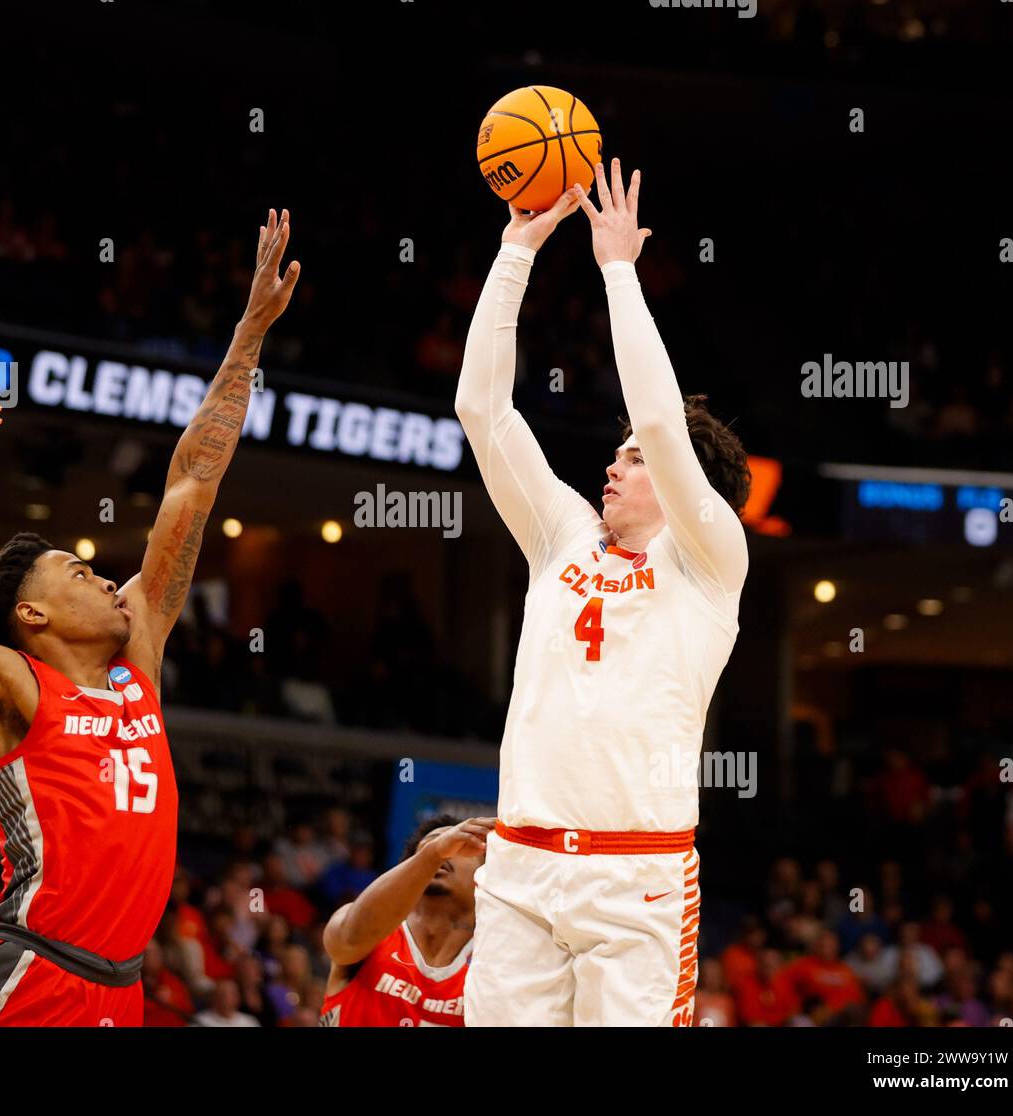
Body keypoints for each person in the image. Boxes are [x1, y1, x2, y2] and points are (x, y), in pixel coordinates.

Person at [0, 211, 300, 1027]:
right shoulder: (13, 683)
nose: (104, 580)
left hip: (119, 988)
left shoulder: (142, 661)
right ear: (31, 613)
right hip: (32, 975)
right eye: (79, 573)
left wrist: (248, 335)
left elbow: (191, 485)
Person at [455, 161, 750, 1026]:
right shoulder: (563, 538)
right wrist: (514, 251)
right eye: (615, 457)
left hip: (637, 880)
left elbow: (660, 424)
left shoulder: (710, 559)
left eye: (631, 462)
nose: (613, 466)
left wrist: (617, 268)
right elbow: (483, 408)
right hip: (520, 870)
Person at [321, 815, 492, 1027]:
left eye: (461, 845)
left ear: (484, 873)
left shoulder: (493, 957)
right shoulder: (369, 926)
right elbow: (346, 941)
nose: (445, 848)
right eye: (429, 844)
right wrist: (434, 852)